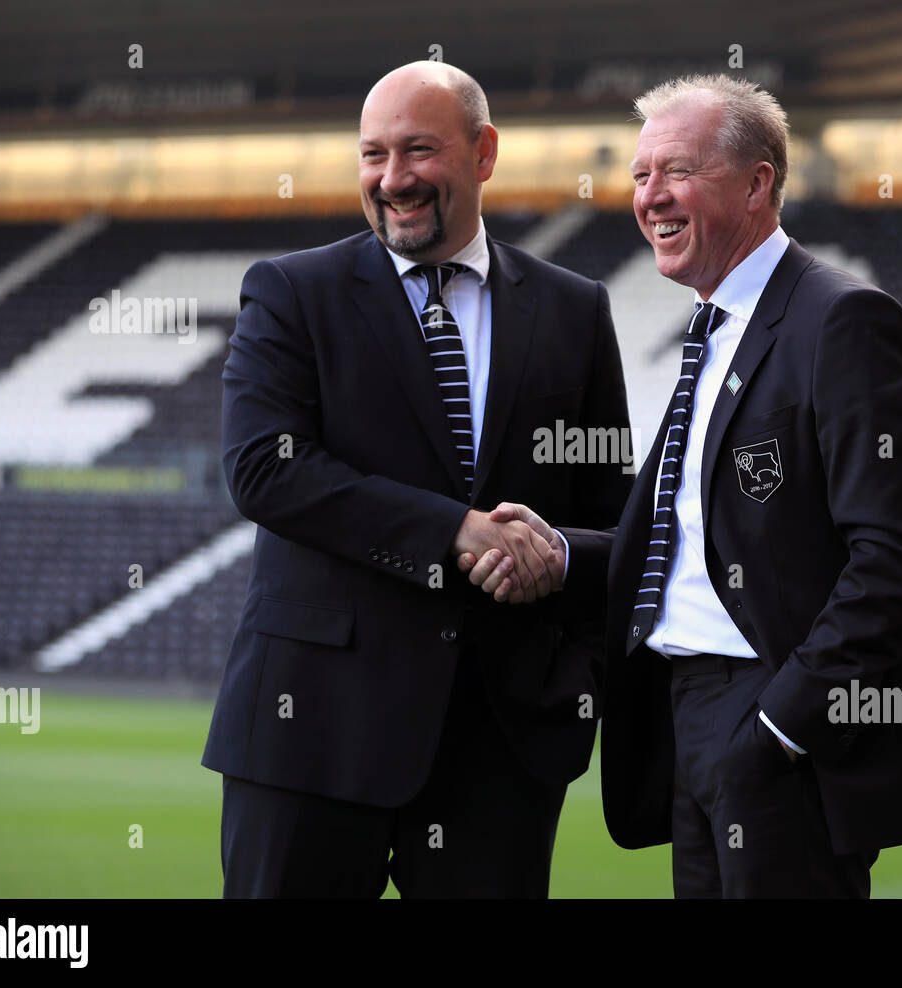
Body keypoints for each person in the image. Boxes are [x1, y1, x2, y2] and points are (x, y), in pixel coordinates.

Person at [463, 74, 902, 898]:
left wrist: (782, 723)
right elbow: (681, 543)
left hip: (770, 716)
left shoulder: (841, 320)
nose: (650, 197)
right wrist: (559, 552)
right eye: (640, 176)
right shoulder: (711, 329)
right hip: (682, 713)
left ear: (759, 183)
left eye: (677, 172)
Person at [201, 60, 630, 898]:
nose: (393, 180)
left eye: (419, 151)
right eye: (373, 155)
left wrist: (577, 681)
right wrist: (456, 531)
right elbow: (262, 470)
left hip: (501, 745)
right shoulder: (291, 292)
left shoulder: (574, 309)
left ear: (485, 153)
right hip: (311, 734)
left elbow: (613, 522)